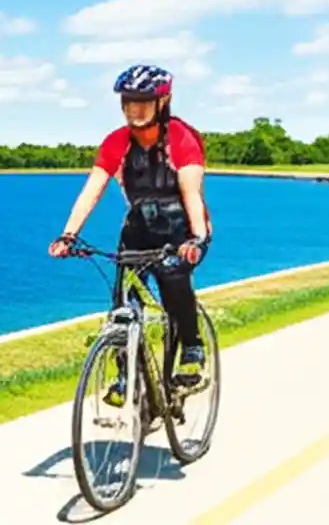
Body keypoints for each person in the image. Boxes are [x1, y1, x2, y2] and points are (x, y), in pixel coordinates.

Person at [49, 64, 212, 406]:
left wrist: (196, 238)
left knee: (173, 282)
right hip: (138, 230)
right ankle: (126, 375)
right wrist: (68, 235)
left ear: (162, 101)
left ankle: (192, 348)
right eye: (129, 101)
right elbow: (93, 188)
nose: (135, 109)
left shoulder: (181, 139)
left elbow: (191, 193)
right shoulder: (117, 142)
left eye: (144, 101)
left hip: (180, 228)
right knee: (122, 305)